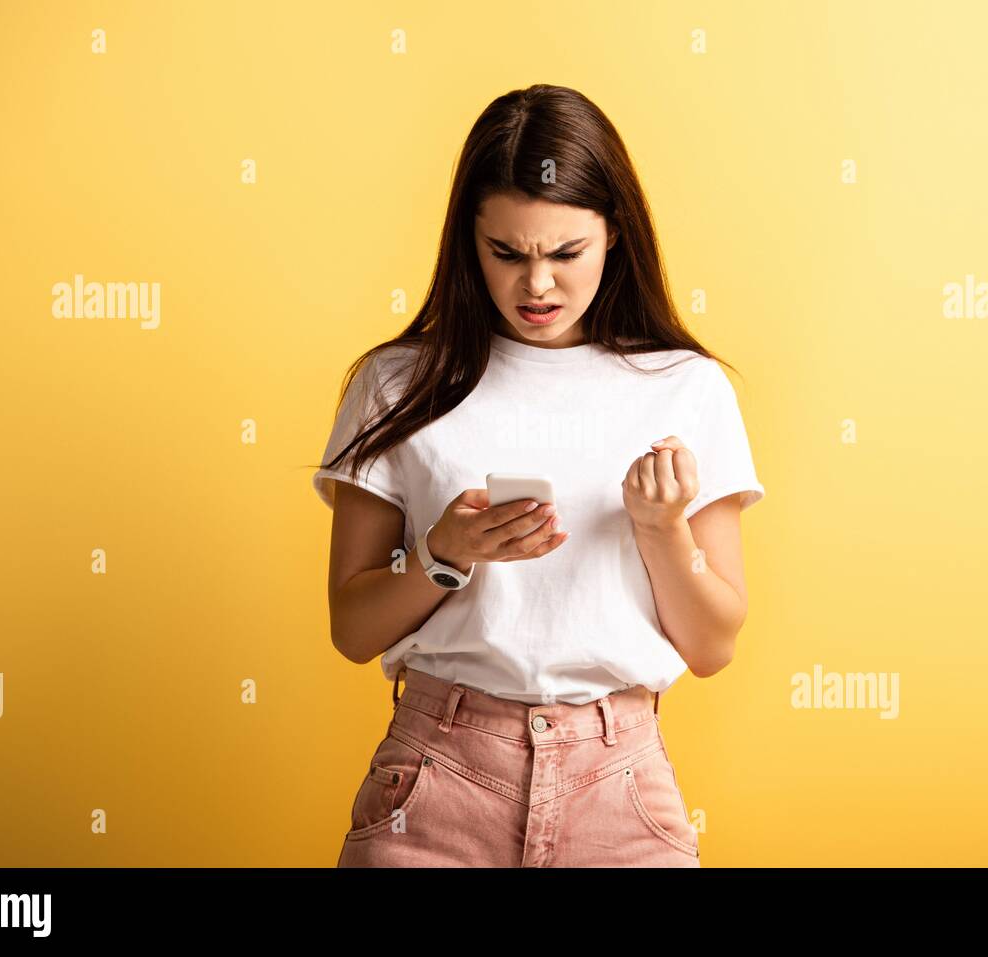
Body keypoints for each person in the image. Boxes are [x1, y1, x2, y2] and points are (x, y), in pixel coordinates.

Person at [312, 84, 764, 867]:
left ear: (614, 235)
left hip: (620, 785)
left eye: (565, 253)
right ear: (469, 241)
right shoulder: (396, 383)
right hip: (436, 778)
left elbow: (713, 644)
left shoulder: (685, 386)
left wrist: (661, 530)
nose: (538, 285)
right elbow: (353, 630)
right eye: (508, 253)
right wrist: (444, 554)